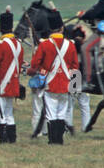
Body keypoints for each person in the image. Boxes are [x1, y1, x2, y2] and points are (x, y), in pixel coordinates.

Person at [28, 8, 77, 145]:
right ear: (62, 28)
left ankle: (52, 140)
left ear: (50, 29)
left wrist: (34, 70)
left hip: (50, 84)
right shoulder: (70, 45)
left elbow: (35, 64)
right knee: (61, 113)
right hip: (66, 84)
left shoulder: (45, 45)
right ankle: (59, 140)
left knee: (50, 114)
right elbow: (75, 66)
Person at [0, 7, 23, 143]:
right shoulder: (18, 44)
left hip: (1, 84)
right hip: (13, 83)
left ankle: (4, 140)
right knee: (9, 114)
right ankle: (12, 140)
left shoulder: (1, 44)